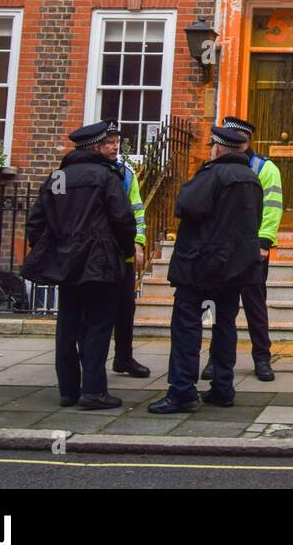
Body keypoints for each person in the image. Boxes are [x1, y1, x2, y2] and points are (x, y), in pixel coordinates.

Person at [22, 120, 138, 410]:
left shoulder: (58, 176)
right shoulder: (106, 176)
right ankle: (94, 391)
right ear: (96, 147)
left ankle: (68, 391)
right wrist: (124, 249)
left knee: (68, 325)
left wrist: (53, 248)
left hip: (66, 262)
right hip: (100, 263)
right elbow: (123, 219)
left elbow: (36, 222)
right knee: (98, 326)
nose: (112, 148)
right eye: (108, 143)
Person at [148, 125, 265, 414]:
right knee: (224, 326)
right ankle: (223, 388)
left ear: (217, 147)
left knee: (188, 327)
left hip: (202, 267)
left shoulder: (213, 174)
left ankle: (182, 392)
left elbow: (185, 206)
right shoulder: (251, 178)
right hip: (235, 269)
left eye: (211, 144)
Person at [200, 115, 281, 383]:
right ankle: (217, 358)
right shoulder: (212, 166)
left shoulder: (265, 167)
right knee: (222, 308)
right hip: (223, 249)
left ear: (245, 141)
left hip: (251, 250)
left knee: (255, 306)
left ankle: (262, 358)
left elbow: (272, 208)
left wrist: (264, 242)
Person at [110, 139, 151, 379]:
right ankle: (89, 361)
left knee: (126, 309)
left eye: (116, 142)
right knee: (96, 313)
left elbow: (137, 210)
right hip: (97, 256)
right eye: (108, 143)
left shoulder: (126, 174)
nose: (115, 147)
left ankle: (124, 357)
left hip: (123, 254)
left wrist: (139, 242)